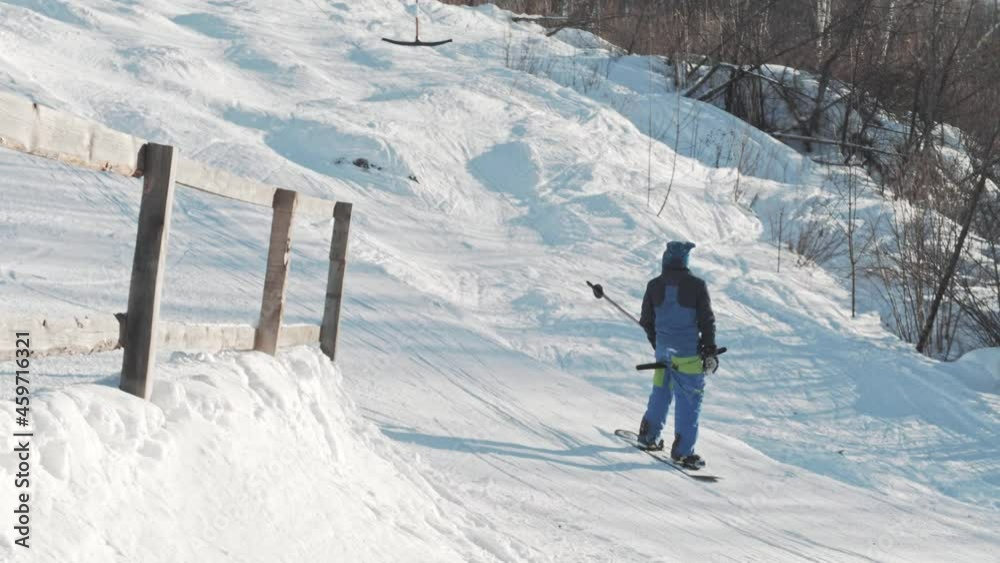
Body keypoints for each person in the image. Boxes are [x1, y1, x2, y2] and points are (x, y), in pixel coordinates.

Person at [637, 241, 718, 469]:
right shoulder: (697, 286)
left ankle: (648, 435)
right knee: (689, 400)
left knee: (661, 392)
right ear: (685, 261)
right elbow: (707, 321)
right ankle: (683, 451)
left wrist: (658, 343)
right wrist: (709, 350)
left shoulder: (653, 286)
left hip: (663, 352)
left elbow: (646, 321)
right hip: (688, 356)